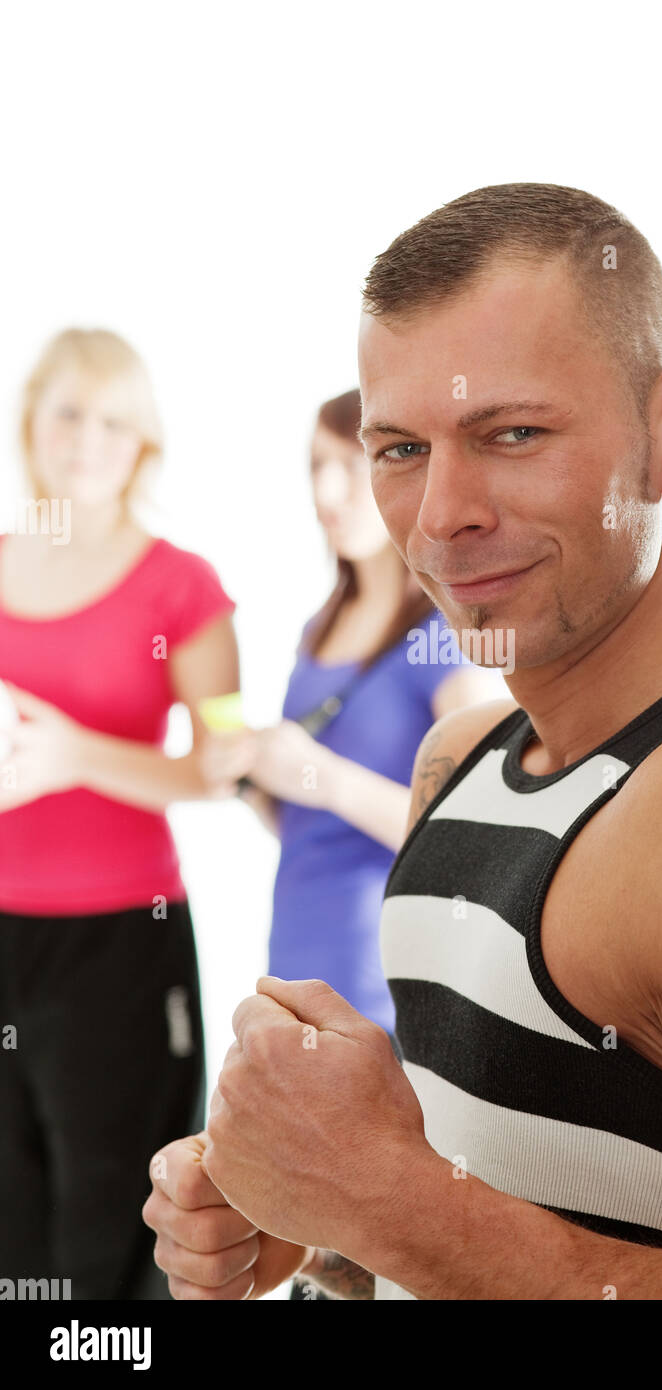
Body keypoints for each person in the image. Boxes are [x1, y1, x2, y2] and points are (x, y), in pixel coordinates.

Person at [143, 183, 662, 1301]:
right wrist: (315, 1223)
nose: (440, 513)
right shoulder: (460, 758)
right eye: (401, 446)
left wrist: (391, 1205)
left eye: (511, 433)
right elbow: (490, 1190)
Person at [197, 388, 501, 1297]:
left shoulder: (446, 636)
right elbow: (308, 827)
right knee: (308, 1259)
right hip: (294, 971)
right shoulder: (313, 633)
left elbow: (475, 821)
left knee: (379, 1248)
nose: (330, 491)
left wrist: (315, 774)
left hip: (384, 995)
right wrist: (258, 781)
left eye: (354, 464)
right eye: (316, 469)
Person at [0, 327, 239, 1300]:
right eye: (67, 412)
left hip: (120, 945)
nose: (86, 438)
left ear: (142, 440)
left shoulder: (181, 586)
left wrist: (72, 755)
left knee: (113, 1212)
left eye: (112, 419)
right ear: (32, 426)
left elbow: (224, 765)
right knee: (11, 1212)